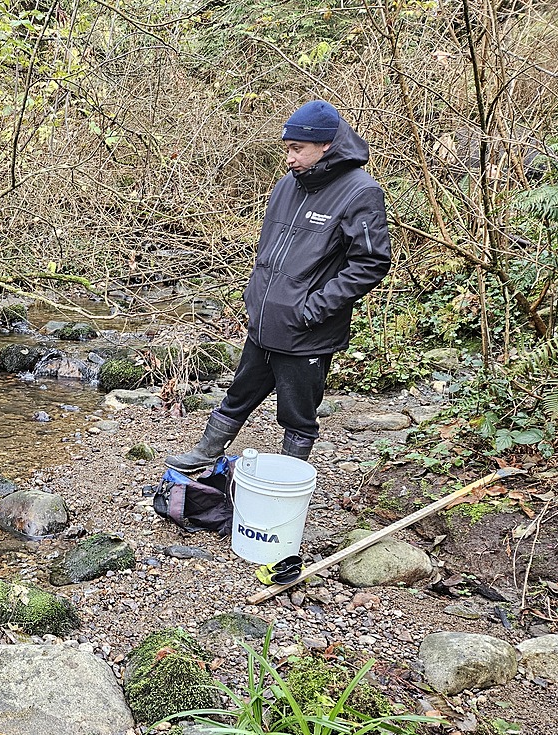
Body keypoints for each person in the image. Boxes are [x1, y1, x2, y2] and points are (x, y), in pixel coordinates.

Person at [165, 100, 391, 473]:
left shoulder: (360, 192)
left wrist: (314, 308)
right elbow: (270, 251)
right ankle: (206, 452)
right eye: (287, 148)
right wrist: (255, 299)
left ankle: (288, 480)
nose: (289, 157)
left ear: (326, 145)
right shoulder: (288, 185)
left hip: (307, 330)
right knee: (238, 394)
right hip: (266, 320)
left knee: (298, 414)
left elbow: (370, 262)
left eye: (297, 149)